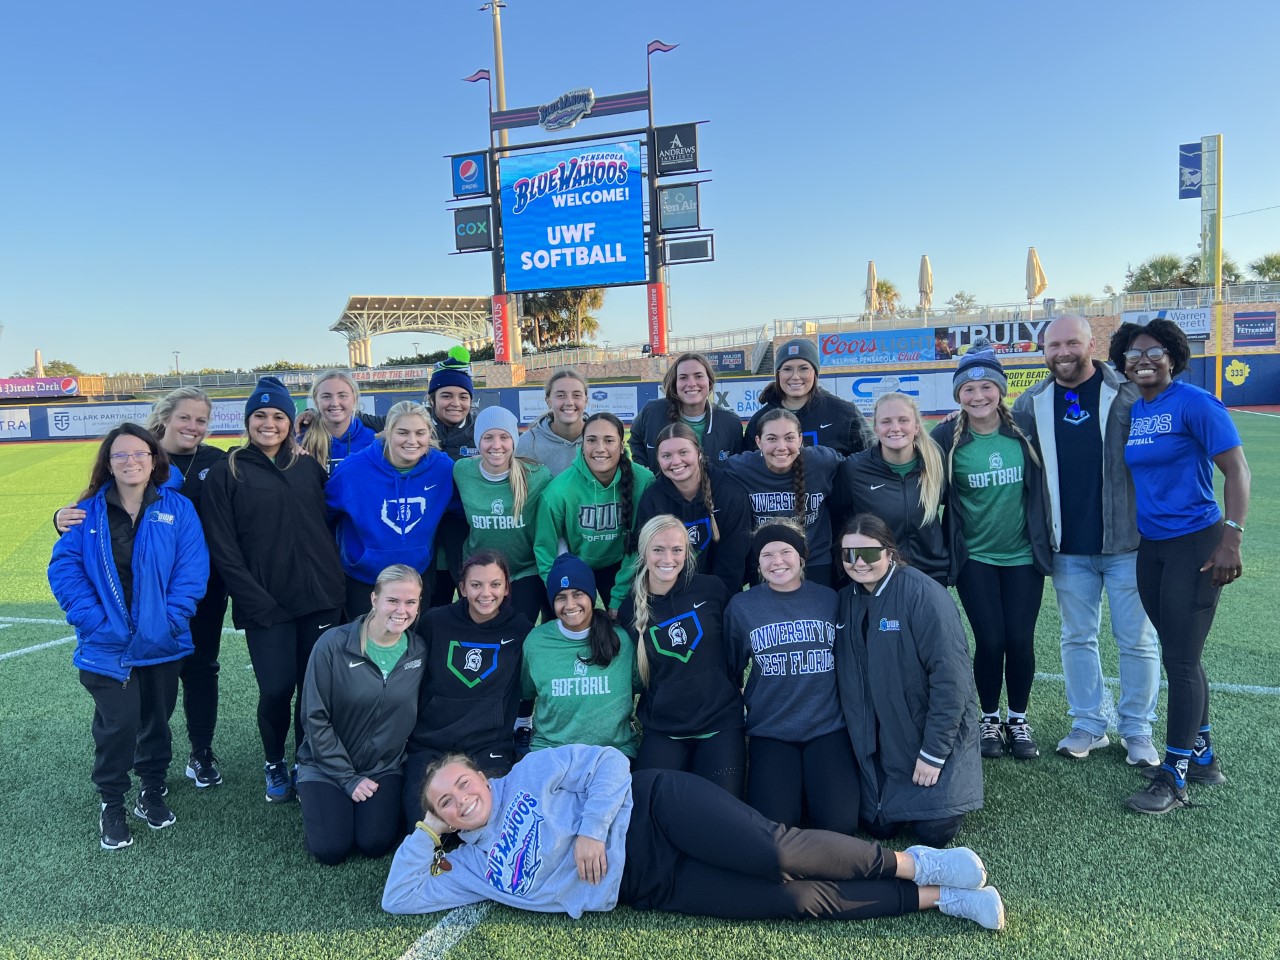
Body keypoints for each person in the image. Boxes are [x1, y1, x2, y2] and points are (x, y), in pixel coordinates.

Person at [383, 744, 1006, 930]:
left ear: (479, 773)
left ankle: (912, 861)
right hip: (650, 884)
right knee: (790, 900)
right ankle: (940, 899)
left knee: (774, 852)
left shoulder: (527, 775)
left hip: (654, 809)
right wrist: (427, 832)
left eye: (463, 784)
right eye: (447, 804)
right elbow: (399, 896)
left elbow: (608, 762)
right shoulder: (466, 868)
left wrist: (589, 832)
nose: (464, 799)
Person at [54, 387, 231, 788]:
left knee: (201, 670)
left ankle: (199, 753)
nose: (193, 426)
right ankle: (134, 770)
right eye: (185, 417)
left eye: (201, 420)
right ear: (165, 417)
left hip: (196, 592)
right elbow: (84, 532)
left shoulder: (219, 461)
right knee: (137, 692)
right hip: (137, 599)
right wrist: (60, 517)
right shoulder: (132, 462)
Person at [1109, 319, 1251, 815]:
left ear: (1172, 357)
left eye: (1152, 352)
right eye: (1131, 354)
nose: (1141, 360)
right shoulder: (1138, 408)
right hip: (1154, 547)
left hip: (1198, 543)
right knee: (1178, 651)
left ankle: (1173, 775)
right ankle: (1203, 755)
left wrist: (1231, 537)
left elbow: (1236, 468)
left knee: (1182, 661)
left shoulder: (1195, 403)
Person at [48, 422, 209, 850]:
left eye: (139, 453)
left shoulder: (177, 508)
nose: (131, 461)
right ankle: (112, 803)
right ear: (108, 463)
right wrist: (94, 621)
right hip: (106, 646)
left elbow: (192, 572)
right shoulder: (86, 511)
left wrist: (171, 619)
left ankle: (151, 790)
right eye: (120, 455)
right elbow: (63, 569)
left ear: (154, 458)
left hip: (162, 643)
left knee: (156, 722)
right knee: (118, 726)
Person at [1010, 316, 1161, 766]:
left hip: (1126, 542)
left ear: (1090, 343)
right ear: (1044, 351)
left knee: (1136, 640)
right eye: (1054, 345)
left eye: (1072, 342)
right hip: (1067, 547)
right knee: (1077, 637)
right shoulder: (1030, 402)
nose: (1063, 352)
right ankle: (1089, 724)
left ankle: (1137, 729)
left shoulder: (1128, 392)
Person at [202, 376, 345, 803]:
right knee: (277, 689)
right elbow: (222, 547)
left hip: (320, 598)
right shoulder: (227, 472)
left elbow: (332, 521)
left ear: (289, 421)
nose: (269, 423)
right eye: (260, 416)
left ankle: (307, 761)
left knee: (313, 690)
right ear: (248, 421)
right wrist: (254, 598)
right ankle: (273, 760)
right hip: (265, 605)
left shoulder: (306, 466)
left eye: (278, 416)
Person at [931, 342, 1051, 761]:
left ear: (1001, 389)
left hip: (1022, 555)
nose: (978, 396)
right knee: (990, 638)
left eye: (986, 387)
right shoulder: (946, 435)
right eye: (968, 389)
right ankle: (988, 718)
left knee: (1019, 640)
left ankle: (1017, 719)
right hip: (974, 557)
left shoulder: (1025, 428)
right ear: (957, 395)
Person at [835, 514, 982, 847]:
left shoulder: (923, 595)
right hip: (882, 742)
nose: (858, 563)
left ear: (889, 552)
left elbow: (953, 681)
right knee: (878, 827)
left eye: (869, 553)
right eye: (848, 554)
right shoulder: (846, 600)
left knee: (933, 832)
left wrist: (934, 753)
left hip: (926, 740)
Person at [725, 522, 857, 834]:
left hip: (827, 727)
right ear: (757, 564)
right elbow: (730, 668)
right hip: (771, 730)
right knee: (775, 826)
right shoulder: (741, 606)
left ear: (802, 558)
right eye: (767, 555)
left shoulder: (830, 600)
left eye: (786, 552)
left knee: (840, 825)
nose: (777, 561)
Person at [296, 565, 427, 865]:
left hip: (383, 767)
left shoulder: (418, 652)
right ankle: (314, 795)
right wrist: (347, 778)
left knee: (374, 842)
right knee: (331, 850)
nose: (401, 610)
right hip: (324, 766)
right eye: (393, 600)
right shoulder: (332, 645)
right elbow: (314, 717)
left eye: (411, 602)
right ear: (374, 600)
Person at [403, 551, 534, 825]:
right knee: (420, 823)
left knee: (486, 823)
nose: (486, 593)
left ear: (507, 587)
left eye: (495, 584)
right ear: (462, 587)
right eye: (476, 585)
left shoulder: (520, 629)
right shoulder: (435, 622)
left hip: (488, 743)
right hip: (432, 742)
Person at [618, 517, 745, 797]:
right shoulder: (630, 610)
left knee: (720, 813)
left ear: (687, 553)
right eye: (658, 549)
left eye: (677, 550)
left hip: (719, 722)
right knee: (650, 806)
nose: (668, 558)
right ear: (644, 553)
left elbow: (733, 647)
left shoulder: (711, 589)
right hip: (665, 728)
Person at [325, 400, 454, 618]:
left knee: (413, 646)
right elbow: (325, 516)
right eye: (403, 432)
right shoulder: (352, 470)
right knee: (364, 647)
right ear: (387, 433)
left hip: (417, 576)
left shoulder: (442, 468)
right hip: (364, 579)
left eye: (420, 433)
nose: (412, 441)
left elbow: (461, 509)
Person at [521, 555, 639, 758]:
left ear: (591, 596)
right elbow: (525, 691)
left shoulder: (619, 639)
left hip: (612, 751)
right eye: (561, 597)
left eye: (578, 594)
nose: (570, 604)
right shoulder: (536, 642)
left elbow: (638, 684)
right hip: (551, 750)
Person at [534, 412, 654, 612]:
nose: (600, 449)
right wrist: (559, 590)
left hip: (621, 563)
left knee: (628, 623)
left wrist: (618, 599)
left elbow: (638, 546)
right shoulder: (557, 491)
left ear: (621, 446)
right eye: (591, 440)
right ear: (582, 445)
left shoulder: (643, 481)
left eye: (609, 440)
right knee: (566, 625)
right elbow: (544, 550)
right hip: (575, 562)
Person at [834, 392, 950, 585]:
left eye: (903, 420)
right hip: (876, 574)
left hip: (930, 574)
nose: (895, 428)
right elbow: (837, 516)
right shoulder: (854, 469)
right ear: (876, 428)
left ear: (916, 427)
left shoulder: (936, 463)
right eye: (886, 421)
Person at [454, 405, 552, 623]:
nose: (496, 445)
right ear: (478, 440)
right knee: (482, 634)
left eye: (504, 437)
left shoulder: (538, 476)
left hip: (524, 570)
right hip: (480, 571)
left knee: (518, 633)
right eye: (488, 437)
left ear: (514, 441)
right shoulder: (462, 471)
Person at [725, 408, 842, 586]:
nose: (781, 447)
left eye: (789, 438)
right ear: (758, 442)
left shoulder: (822, 462)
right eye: (772, 438)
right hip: (768, 563)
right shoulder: (740, 467)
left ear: (801, 439)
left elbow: (859, 469)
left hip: (815, 562)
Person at [635, 422, 752, 595]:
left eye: (683, 452)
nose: (676, 461)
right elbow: (651, 558)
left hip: (720, 591)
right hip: (672, 592)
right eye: (666, 456)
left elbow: (732, 560)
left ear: (698, 453)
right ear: (658, 460)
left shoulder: (729, 492)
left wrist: (717, 600)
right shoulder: (653, 499)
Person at [743, 338, 874, 455]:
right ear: (778, 374)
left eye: (803, 368)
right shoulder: (759, 420)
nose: (795, 376)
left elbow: (871, 461)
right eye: (787, 369)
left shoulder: (845, 413)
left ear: (815, 373)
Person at [424, 347, 478, 607]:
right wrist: (314, 416)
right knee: (430, 599)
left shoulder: (481, 430)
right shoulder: (416, 428)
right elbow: (368, 422)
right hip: (427, 524)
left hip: (465, 526)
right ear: (432, 398)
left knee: (473, 594)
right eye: (446, 395)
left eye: (463, 396)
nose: (455, 403)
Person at [629, 352, 744, 469]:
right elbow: (635, 439)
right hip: (662, 487)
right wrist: (645, 471)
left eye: (698, 376)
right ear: (675, 384)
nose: (691, 384)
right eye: (683, 378)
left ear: (709, 382)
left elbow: (737, 469)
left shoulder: (730, 423)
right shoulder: (652, 411)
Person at [298, 370, 383, 473]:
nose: (334, 403)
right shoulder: (300, 440)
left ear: (354, 399)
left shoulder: (374, 441)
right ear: (316, 401)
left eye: (342, 396)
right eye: (326, 396)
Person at [516, 368, 589, 477]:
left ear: (586, 401)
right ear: (548, 401)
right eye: (560, 395)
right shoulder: (528, 444)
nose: (569, 402)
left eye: (576, 395)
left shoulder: (601, 439)